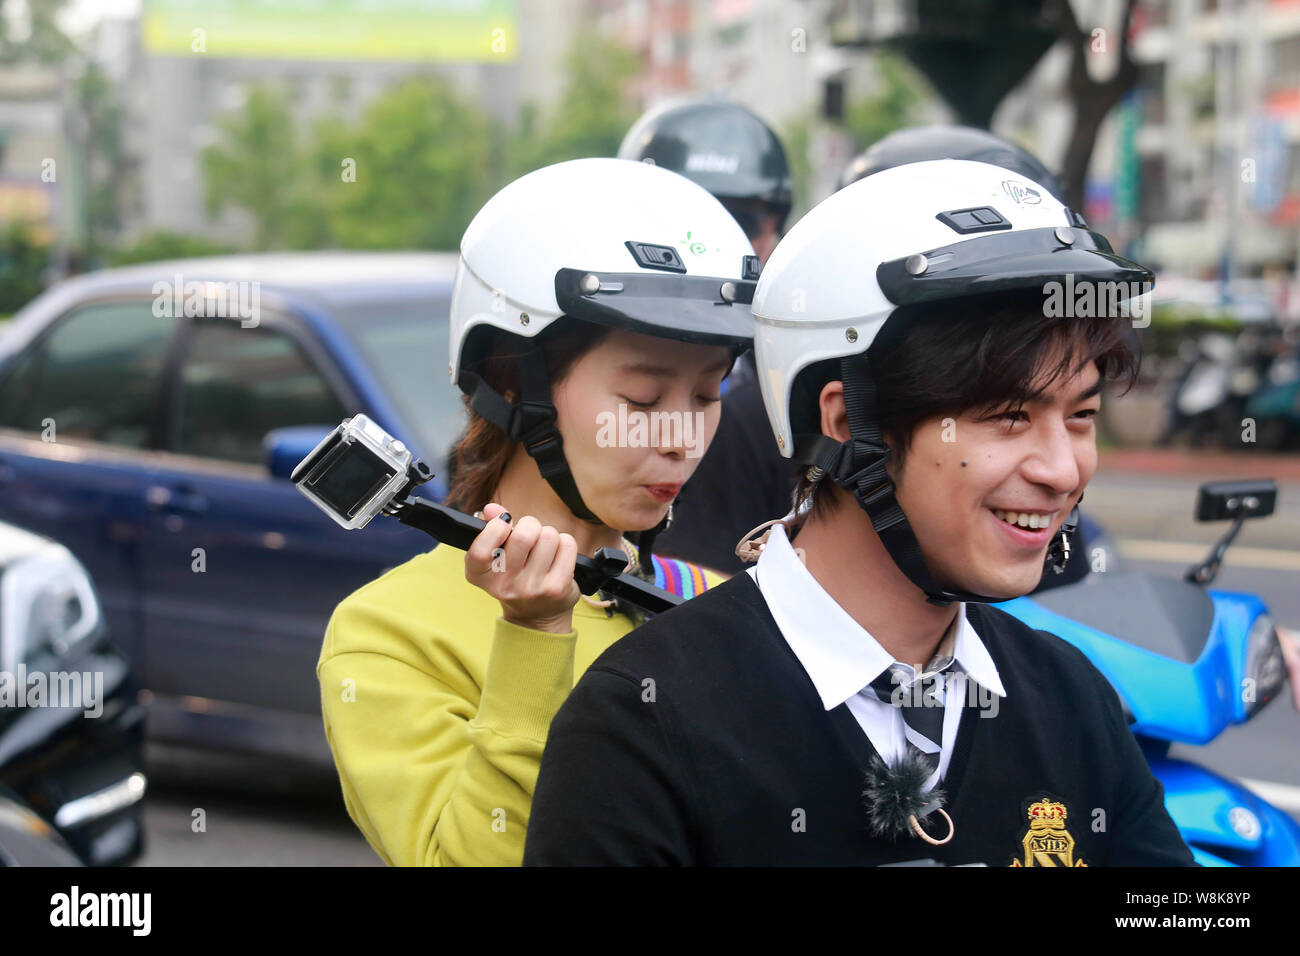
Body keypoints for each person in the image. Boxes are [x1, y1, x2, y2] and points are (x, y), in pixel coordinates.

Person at [523, 158, 1197, 866]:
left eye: (1082, 415)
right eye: (1007, 416)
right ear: (847, 424)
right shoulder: (643, 721)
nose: (1061, 469)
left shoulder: (1070, 698)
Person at [317, 157, 758, 866]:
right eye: (643, 400)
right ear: (512, 382)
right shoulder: (389, 632)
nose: (682, 438)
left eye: (708, 397)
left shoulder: (716, 605)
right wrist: (534, 637)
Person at [618, 98, 799, 572]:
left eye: (738, 221)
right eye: (641, 394)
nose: (710, 240)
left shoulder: (805, 392)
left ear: (774, 237)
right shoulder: (561, 374)